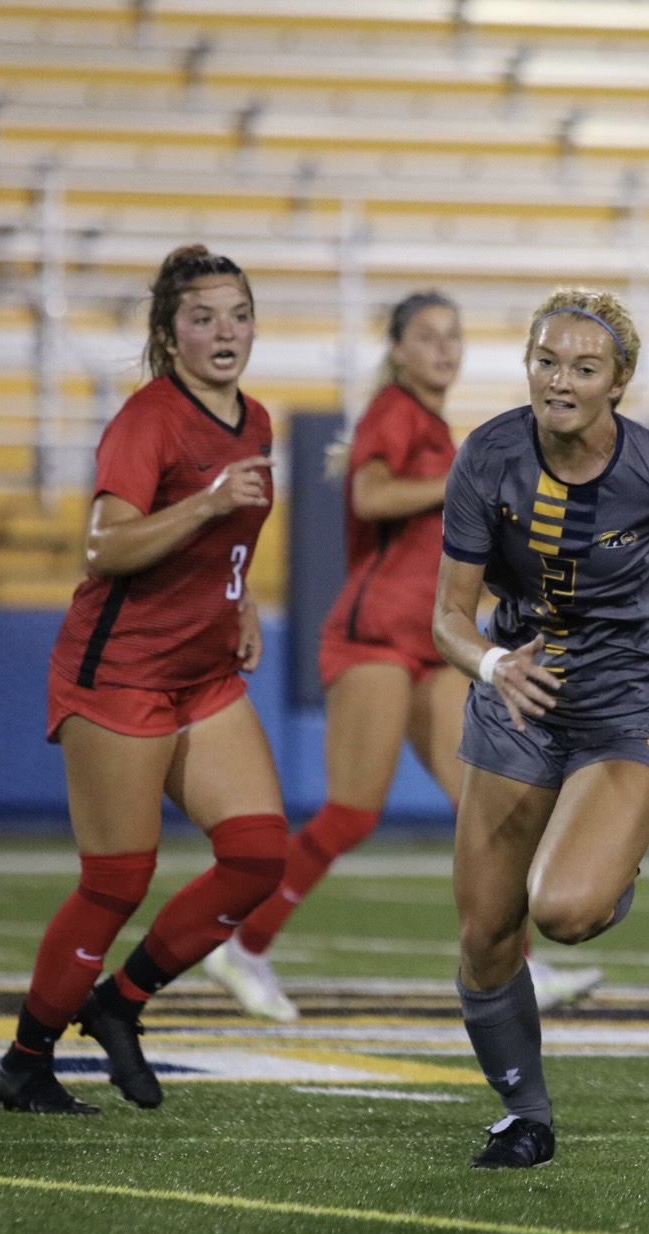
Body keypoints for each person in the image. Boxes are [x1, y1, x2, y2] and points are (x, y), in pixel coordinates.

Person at [432, 287, 649, 1168]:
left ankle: (609, 864)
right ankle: (524, 1116)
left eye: (584, 367)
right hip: (521, 689)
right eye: (546, 361)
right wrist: (495, 666)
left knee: (568, 911)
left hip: (634, 699)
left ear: (619, 382)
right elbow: (449, 621)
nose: (560, 380)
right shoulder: (488, 457)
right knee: (485, 930)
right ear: (527, 365)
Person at [205, 292, 601, 1021]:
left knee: (490, 808)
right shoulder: (395, 410)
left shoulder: (432, 426)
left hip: (429, 647)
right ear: (398, 348)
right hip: (374, 639)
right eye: (429, 336)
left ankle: (522, 968)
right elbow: (369, 493)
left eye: (455, 336)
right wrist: (466, 484)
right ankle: (241, 945)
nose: (446, 349)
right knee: (352, 813)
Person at [0, 244, 288, 1113]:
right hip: (120, 674)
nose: (225, 332)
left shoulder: (257, 419)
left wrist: (241, 603)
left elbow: (232, 536)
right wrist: (204, 504)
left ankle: (119, 1004)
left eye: (238, 314)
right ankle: (24, 1060)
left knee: (257, 857)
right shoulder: (146, 420)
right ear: (170, 333)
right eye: (203, 318)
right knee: (116, 880)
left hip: (202, 675)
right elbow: (105, 546)